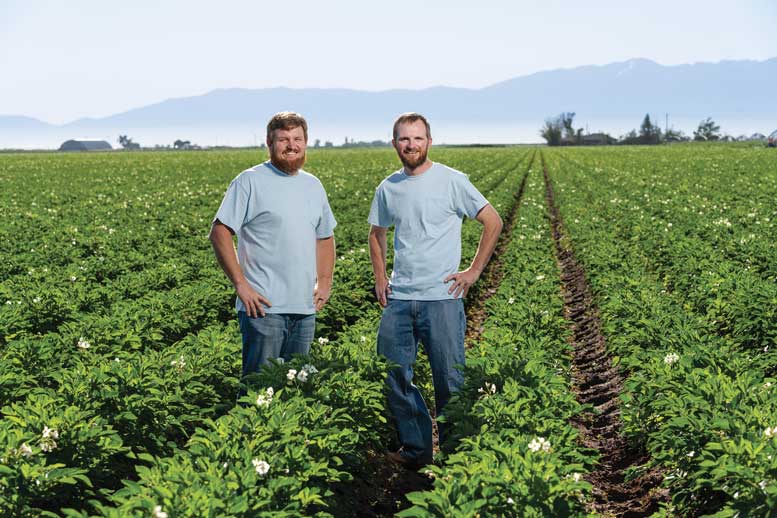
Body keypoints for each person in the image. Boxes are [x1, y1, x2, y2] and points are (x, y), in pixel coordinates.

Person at [368, 113, 503, 468]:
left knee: (450, 380)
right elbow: (376, 233)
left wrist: (473, 272)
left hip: (443, 298)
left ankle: (456, 458)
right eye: (403, 139)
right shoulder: (388, 187)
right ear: (394, 143)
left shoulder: (452, 181)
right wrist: (381, 277)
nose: (410, 145)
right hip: (400, 299)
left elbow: (493, 220)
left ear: (429, 140)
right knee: (392, 373)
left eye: (417, 138)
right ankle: (417, 450)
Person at [209, 112, 336, 396]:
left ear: (306, 143)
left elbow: (325, 236)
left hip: (304, 309)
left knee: (296, 390)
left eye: (297, 139)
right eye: (283, 139)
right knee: (259, 392)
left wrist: (324, 283)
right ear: (269, 142)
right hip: (263, 309)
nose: (291, 145)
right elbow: (219, 232)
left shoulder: (313, 185)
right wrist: (241, 285)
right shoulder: (250, 181)